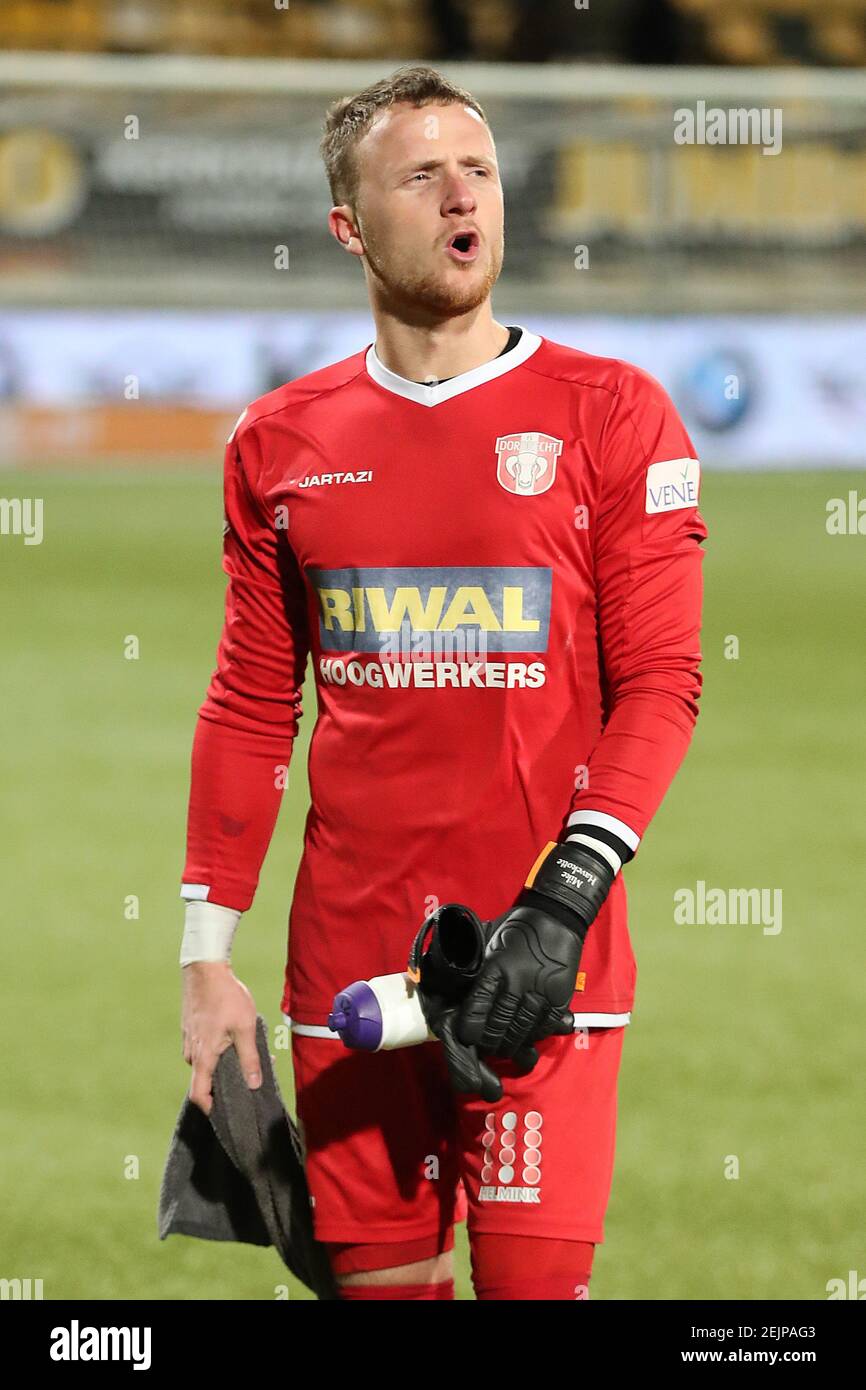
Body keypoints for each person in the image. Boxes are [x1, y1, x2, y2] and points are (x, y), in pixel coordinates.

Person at [179, 63, 707, 1301]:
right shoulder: (279, 443)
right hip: (349, 970)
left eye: (477, 169)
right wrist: (206, 958)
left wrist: (564, 902)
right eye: (421, 175)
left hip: (544, 955)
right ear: (349, 228)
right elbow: (252, 701)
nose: (462, 194)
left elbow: (662, 685)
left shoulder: (612, 415)